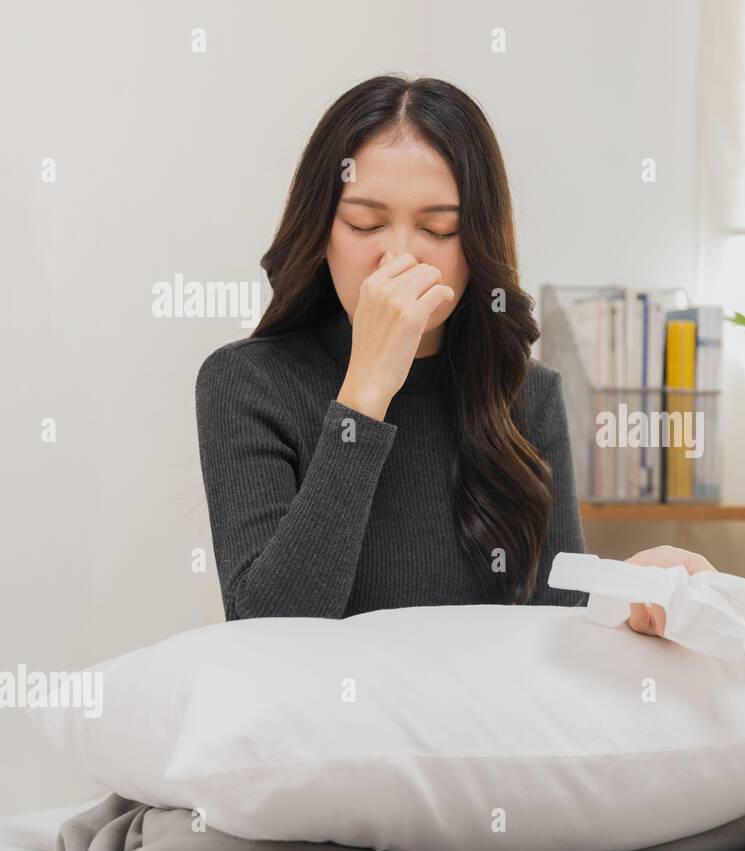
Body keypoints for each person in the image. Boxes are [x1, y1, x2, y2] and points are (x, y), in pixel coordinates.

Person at [195, 74, 712, 637]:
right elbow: (266, 631)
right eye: (364, 223)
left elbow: (554, 630)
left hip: (479, 724)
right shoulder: (246, 382)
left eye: (438, 229)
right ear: (321, 230)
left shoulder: (526, 394)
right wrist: (366, 392)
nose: (399, 257)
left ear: (477, 244)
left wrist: (627, 598)